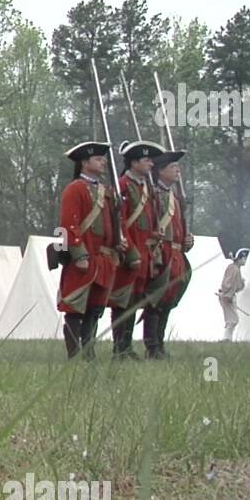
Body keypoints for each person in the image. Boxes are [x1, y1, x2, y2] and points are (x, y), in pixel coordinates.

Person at [57, 142, 117, 360]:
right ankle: (74, 354)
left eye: (103, 159)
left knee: (95, 307)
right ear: (84, 162)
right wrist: (79, 254)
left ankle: (89, 352)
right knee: (75, 307)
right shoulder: (75, 189)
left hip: (102, 258)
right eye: (98, 159)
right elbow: (68, 223)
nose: (103, 162)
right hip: (83, 257)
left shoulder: (104, 191)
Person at [108, 141, 165, 360]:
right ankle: (119, 348)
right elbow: (119, 221)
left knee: (135, 301)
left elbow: (145, 223)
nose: (151, 163)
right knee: (123, 301)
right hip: (128, 253)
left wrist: (154, 233)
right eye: (146, 160)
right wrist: (131, 251)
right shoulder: (122, 185)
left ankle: (127, 346)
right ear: (134, 162)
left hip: (145, 252)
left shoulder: (145, 188)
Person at [144, 150, 194, 359]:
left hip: (175, 254)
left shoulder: (174, 197)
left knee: (168, 300)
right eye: (173, 167)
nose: (178, 170)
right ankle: (152, 346)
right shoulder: (153, 194)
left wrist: (187, 241)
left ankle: (160, 344)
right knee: (155, 301)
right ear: (161, 170)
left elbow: (179, 230)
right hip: (161, 253)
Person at [218, 248, 249, 341]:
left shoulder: (236, 269)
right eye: (244, 258)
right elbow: (227, 283)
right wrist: (228, 295)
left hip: (229, 296)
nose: (245, 260)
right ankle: (226, 339)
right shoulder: (233, 268)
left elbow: (237, 285)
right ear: (239, 258)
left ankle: (228, 339)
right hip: (227, 296)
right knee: (232, 320)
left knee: (232, 320)